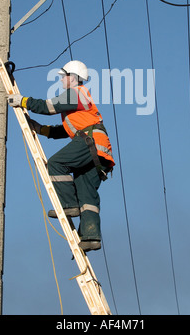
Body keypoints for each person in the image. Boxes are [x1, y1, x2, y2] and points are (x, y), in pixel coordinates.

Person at [7, 60, 115, 252]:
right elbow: (65, 130)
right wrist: (40, 129)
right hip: (100, 150)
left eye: (63, 76)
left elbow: (49, 107)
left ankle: (68, 204)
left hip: (91, 142)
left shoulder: (76, 93)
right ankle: (91, 237)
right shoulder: (78, 102)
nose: (62, 80)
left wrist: (23, 101)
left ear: (72, 78)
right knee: (86, 191)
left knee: (56, 163)